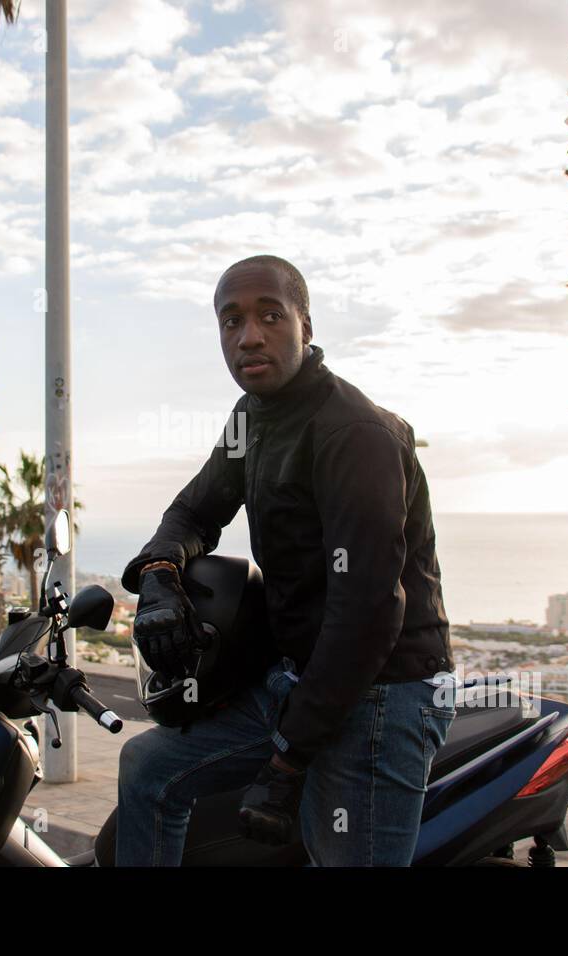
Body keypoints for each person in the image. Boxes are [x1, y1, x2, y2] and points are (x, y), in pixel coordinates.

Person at [115, 254, 456, 867]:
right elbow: (193, 512)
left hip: (384, 690)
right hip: (303, 675)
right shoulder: (254, 417)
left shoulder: (352, 433)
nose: (248, 335)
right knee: (148, 767)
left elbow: (369, 612)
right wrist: (160, 578)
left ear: (306, 324)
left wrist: (288, 759)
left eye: (270, 315)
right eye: (231, 321)